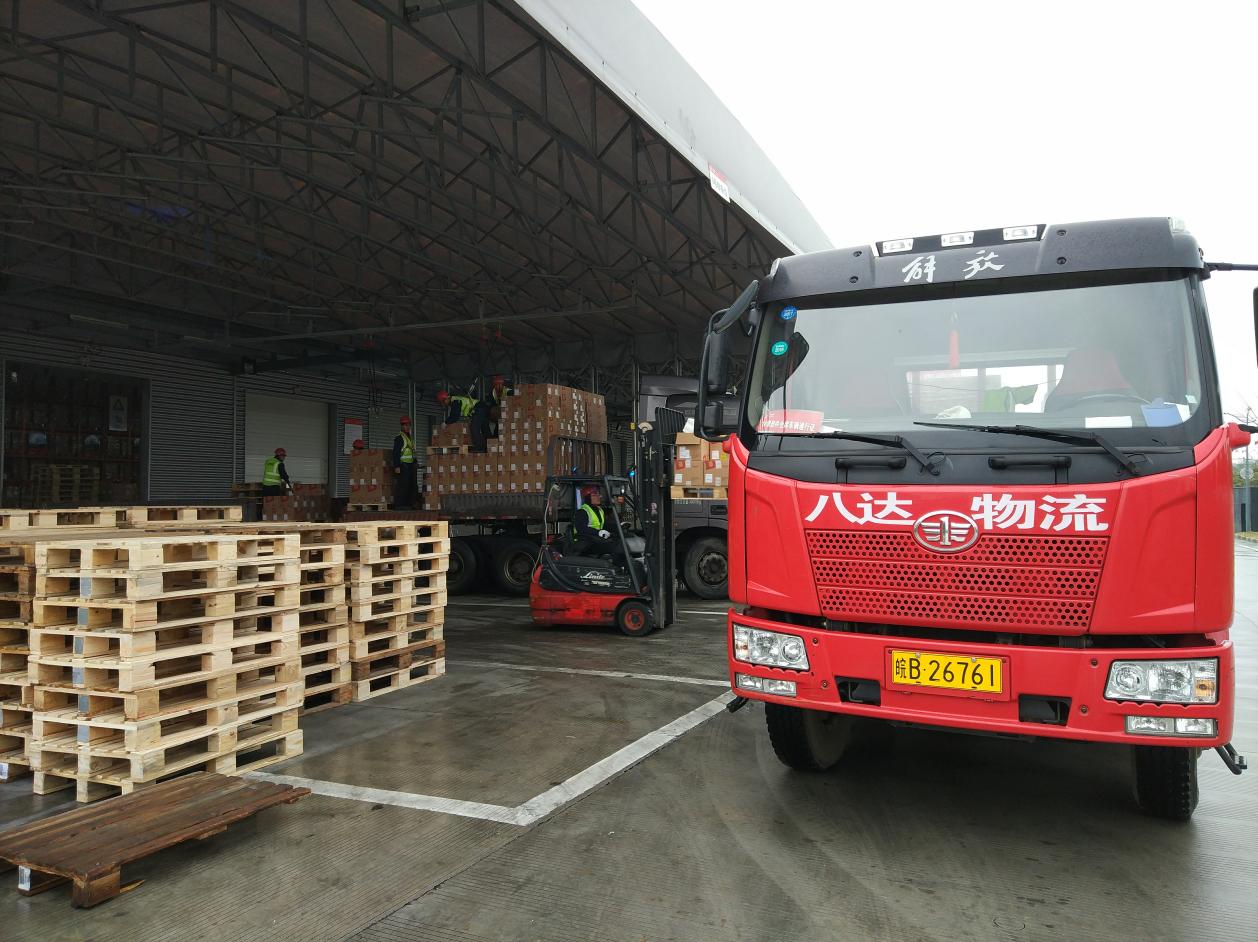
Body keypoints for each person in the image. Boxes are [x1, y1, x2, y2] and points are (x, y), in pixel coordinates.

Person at [569, 485, 617, 558]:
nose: (599, 496)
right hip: (585, 542)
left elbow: (604, 525)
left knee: (617, 543)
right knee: (612, 547)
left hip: (596, 539)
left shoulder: (599, 510)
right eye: (595, 495)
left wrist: (618, 526)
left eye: (598, 494)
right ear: (588, 498)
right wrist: (598, 532)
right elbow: (582, 528)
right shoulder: (582, 512)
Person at [392, 416, 417, 510]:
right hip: (403, 466)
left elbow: (412, 452)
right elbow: (396, 452)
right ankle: (400, 505)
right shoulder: (399, 438)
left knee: (411, 485)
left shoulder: (409, 438)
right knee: (403, 486)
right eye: (405, 425)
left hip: (410, 465)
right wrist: (397, 466)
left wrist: (415, 461)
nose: (407, 427)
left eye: (408, 425)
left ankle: (408, 504)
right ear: (401, 426)